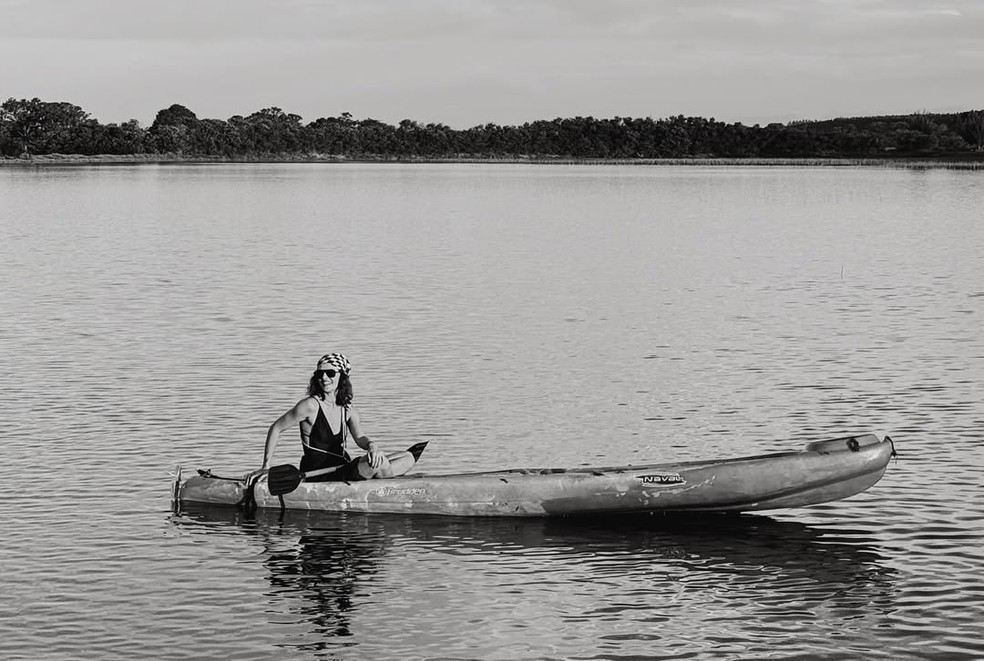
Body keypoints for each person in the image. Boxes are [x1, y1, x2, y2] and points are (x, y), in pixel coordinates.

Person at [248, 353, 391, 482]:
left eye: (330, 373)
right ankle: (389, 490)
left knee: (399, 459)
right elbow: (276, 428)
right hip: (317, 473)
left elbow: (360, 437)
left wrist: (372, 446)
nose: (324, 378)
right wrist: (266, 466)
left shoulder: (348, 409)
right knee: (382, 463)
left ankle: (385, 487)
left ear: (342, 377)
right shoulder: (310, 406)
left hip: (341, 467)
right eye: (320, 373)